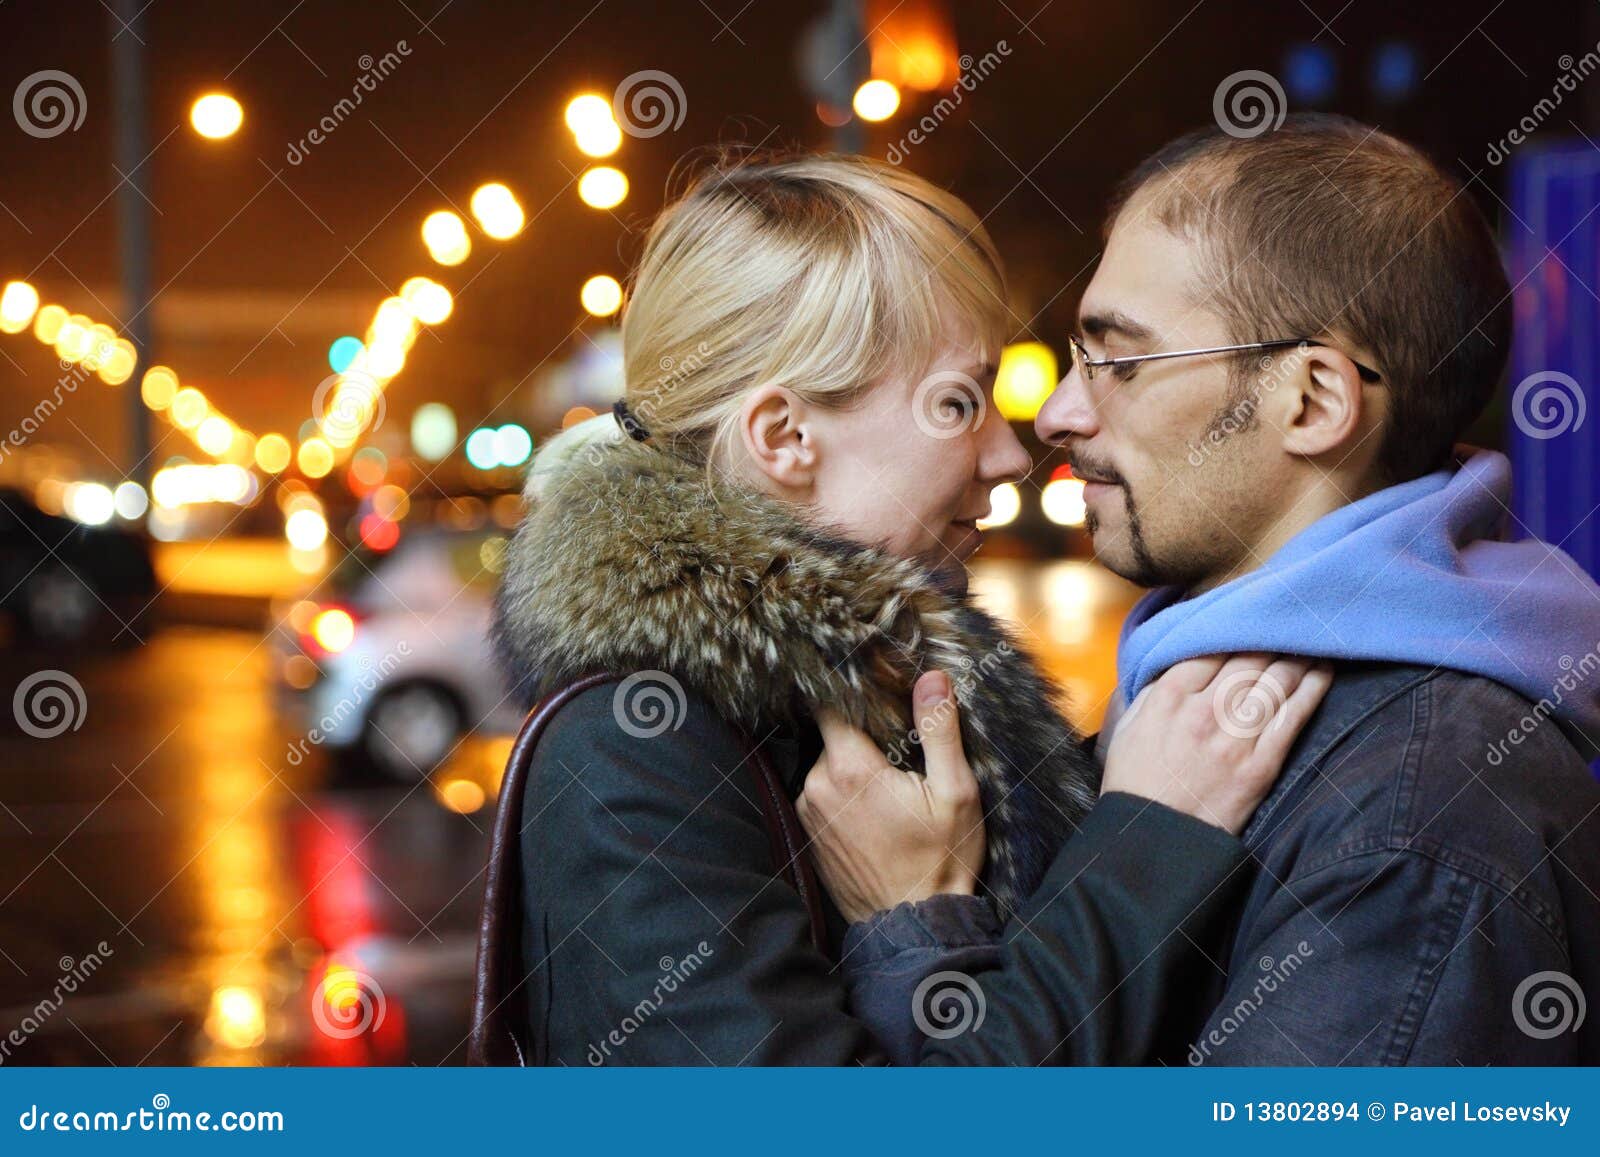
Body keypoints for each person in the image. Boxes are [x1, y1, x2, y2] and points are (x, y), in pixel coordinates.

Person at [480, 151, 1331, 1065]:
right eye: (961, 403)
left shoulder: (878, 692)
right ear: (785, 436)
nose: (1011, 455)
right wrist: (1143, 846)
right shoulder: (632, 756)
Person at [801, 115, 1600, 1065]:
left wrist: (919, 931)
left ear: (1312, 400)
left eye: (1121, 361)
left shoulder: (1417, 821)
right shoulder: (1212, 705)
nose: (1057, 413)